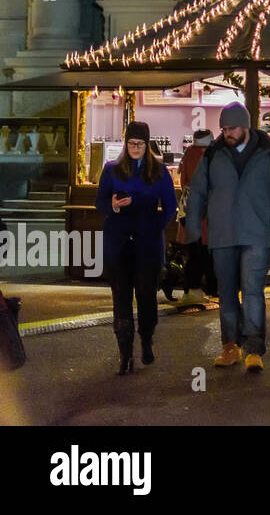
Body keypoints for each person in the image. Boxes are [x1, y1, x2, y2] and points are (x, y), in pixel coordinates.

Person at [185, 102, 270, 373]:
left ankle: (254, 350)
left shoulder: (269, 152)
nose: (226, 133)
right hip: (222, 233)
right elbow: (197, 192)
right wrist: (192, 228)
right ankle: (230, 347)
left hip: (257, 232)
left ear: (245, 125)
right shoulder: (213, 153)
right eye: (223, 128)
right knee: (226, 292)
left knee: (253, 292)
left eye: (231, 128)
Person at [95, 121, 177, 375]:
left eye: (140, 144)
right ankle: (125, 353)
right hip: (118, 241)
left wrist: (155, 225)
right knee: (120, 297)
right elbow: (100, 202)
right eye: (131, 143)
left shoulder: (160, 172)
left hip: (147, 242)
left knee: (146, 296)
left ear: (147, 145)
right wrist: (114, 205)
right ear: (125, 144)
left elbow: (171, 206)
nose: (135, 148)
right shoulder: (111, 169)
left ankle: (146, 340)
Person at [175, 129, 217, 308]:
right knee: (199, 253)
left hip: (188, 210)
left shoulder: (188, 154)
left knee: (194, 252)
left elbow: (183, 181)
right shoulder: (207, 156)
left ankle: (193, 291)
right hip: (202, 213)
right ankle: (194, 291)